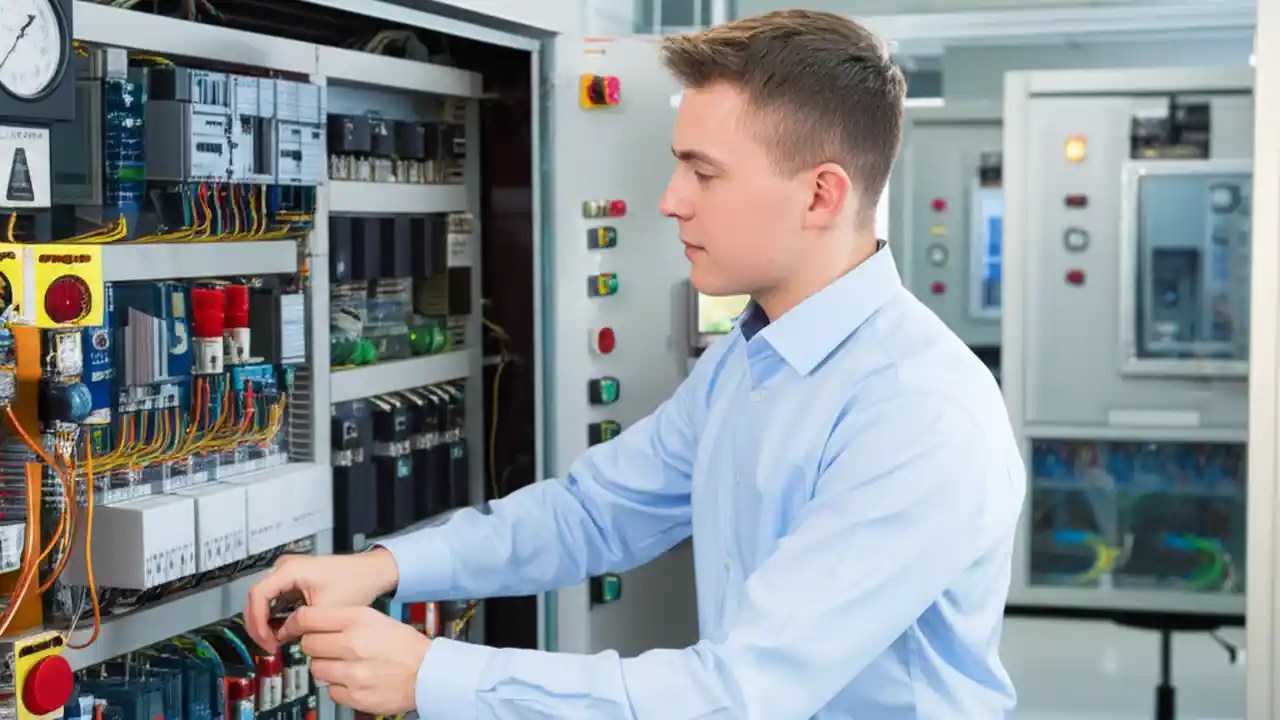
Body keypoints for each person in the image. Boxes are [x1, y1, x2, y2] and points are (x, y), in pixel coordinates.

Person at [245, 9, 1026, 718]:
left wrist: (433, 674)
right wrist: (381, 568)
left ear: (821, 196)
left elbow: (739, 693)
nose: (671, 200)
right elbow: (593, 513)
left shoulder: (918, 409)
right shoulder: (749, 362)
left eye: (704, 171)